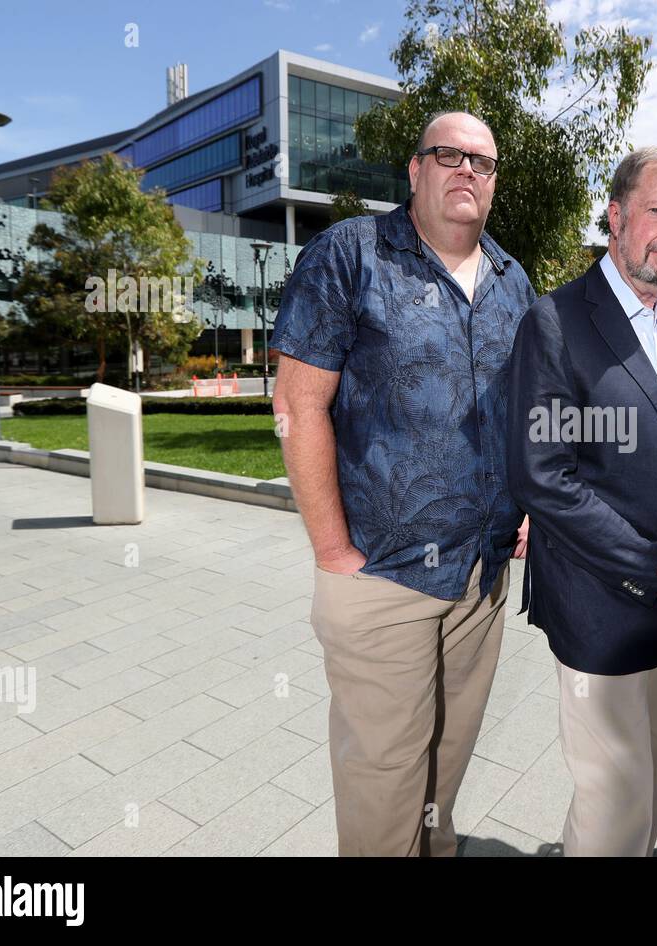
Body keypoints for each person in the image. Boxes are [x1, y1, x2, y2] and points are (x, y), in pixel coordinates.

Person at [269, 111, 535, 856]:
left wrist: (525, 507)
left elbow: (525, 409)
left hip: (480, 578)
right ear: (415, 171)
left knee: (444, 766)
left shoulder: (515, 281)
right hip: (381, 573)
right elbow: (297, 404)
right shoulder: (349, 255)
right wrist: (332, 552)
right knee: (384, 784)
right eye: (447, 156)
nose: (465, 171)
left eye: (481, 163)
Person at [507, 147, 657, 856]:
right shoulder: (556, 322)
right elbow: (544, 476)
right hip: (600, 607)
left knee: (654, 781)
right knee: (615, 799)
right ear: (616, 216)